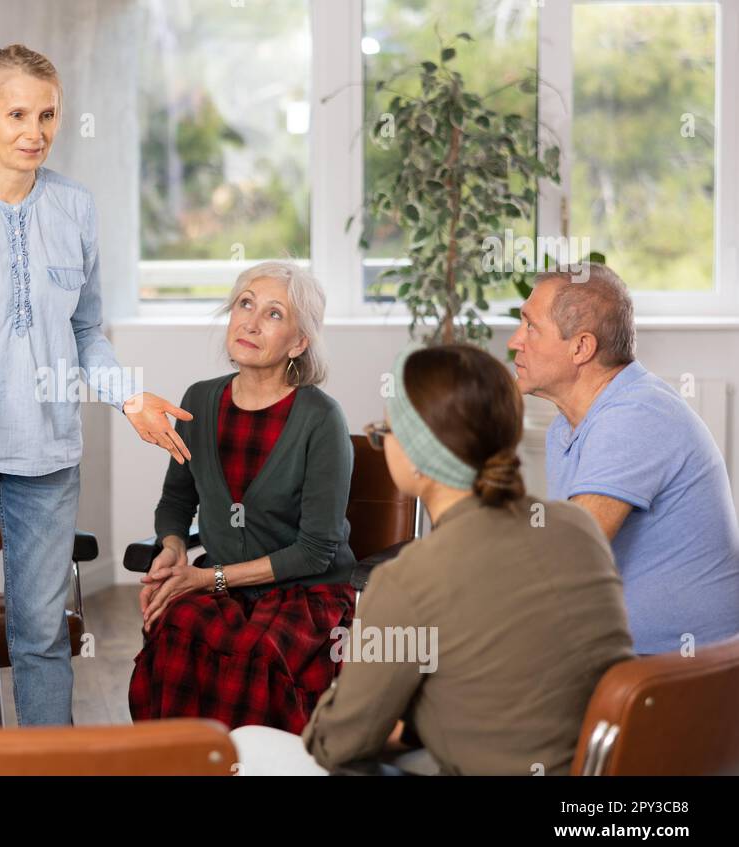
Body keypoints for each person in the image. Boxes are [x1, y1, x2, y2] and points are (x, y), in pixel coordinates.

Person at [0, 44, 190, 725]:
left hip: (46, 451)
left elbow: (85, 332)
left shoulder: (75, 207)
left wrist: (129, 396)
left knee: (44, 634)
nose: (35, 132)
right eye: (17, 114)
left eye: (47, 115)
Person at [231, 345, 634, 775]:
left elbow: (336, 745)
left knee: (245, 743)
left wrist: (386, 711)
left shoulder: (407, 579)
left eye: (385, 432)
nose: (382, 442)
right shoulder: (578, 527)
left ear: (417, 456)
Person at [128, 262, 356, 734]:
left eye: (274, 314)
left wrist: (207, 578)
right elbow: (175, 502)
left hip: (303, 592)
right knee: (174, 632)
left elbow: (316, 551)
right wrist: (173, 549)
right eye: (245, 304)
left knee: (255, 656)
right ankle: (182, 763)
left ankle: (256, 764)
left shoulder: (321, 419)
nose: (250, 322)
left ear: (298, 342)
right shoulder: (199, 400)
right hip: (222, 582)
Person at [508, 263, 739, 654]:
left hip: (679, 668)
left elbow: (570, 558)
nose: (516, 341)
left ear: (581, 347)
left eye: (531, 326)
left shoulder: (635, 415)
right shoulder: (568, 426)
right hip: (630, 653)